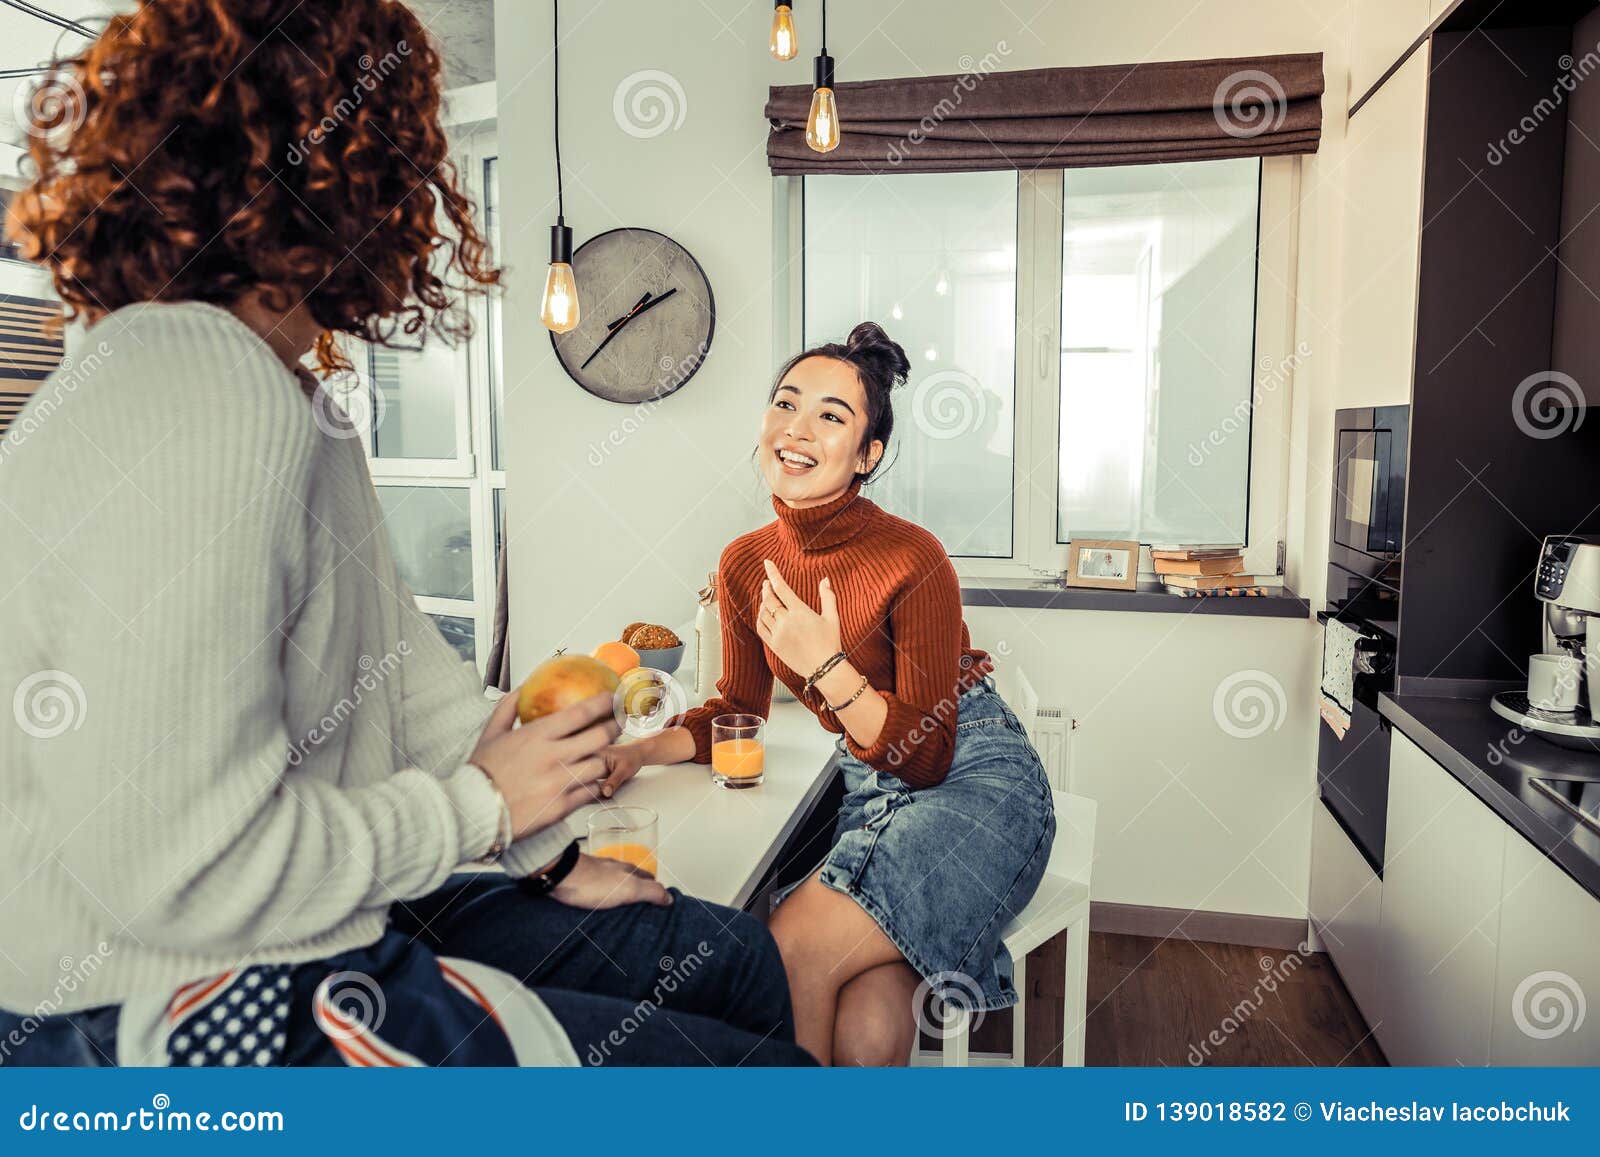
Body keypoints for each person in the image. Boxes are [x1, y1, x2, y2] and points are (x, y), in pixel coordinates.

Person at [0, 0, 808, 1068]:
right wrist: (479, 807)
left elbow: (415, 695)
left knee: (730, 956)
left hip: (300, 923)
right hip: (153, 1009)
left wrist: (550, 855)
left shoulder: (288, 398)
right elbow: (173, 861)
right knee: (770, 1079)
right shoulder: (198, 377)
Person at [598, 322, 1058, 1065]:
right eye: (786, 403)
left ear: (868, 455)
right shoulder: (744, 563)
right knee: (865, 1025)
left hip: (975, 777)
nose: (797, 428)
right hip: (873, 787)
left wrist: (827, 665)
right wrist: (636, 754)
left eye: (831, 415)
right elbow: (736, 711)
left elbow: (927, 755)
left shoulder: (915, 557)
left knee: (789, 947)